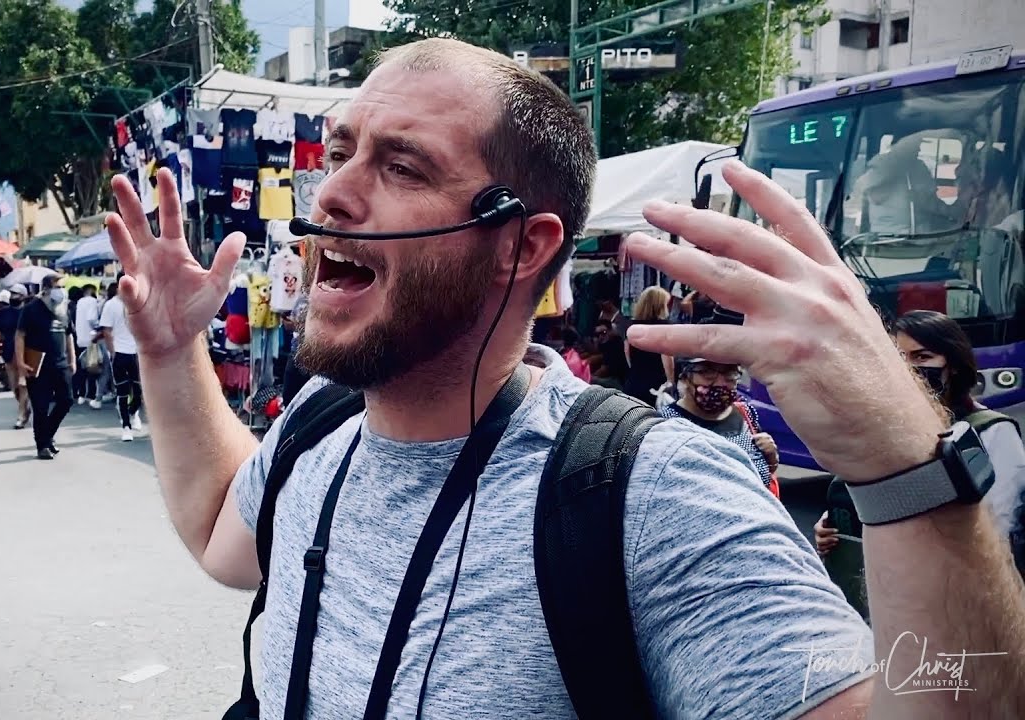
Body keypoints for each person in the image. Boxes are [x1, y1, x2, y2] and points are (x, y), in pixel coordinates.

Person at [108, 39, 1024, 718]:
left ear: (522, 245)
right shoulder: (321, 419)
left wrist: (910, 473)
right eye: (341, 150)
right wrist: (170, 349)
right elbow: (222, 530)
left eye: (401, 166)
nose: (334, 194)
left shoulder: (651, 495)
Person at [815, 310, 1025, 570]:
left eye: (922, 357)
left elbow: (999, 524)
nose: (909, 369)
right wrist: (833, 523)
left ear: (954, 365)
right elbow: (872, 492)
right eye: (898, 358)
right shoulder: (887, 426)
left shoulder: (992, 431)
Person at [659, 356, 780, 497]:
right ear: (684, 376)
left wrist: (771, 459)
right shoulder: (666, 424)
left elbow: (762, 474)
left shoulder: (745, 413)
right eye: (707, 372)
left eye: (729, 372)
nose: (721, 383)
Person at [16, 273, 75, 460]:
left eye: (63, 287)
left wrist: (72, 359)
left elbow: (68, 335)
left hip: (60, 364)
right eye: (58, 287)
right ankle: (42, 446)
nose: (61, 291)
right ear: (47, 289)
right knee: (40, 407)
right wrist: (20, 362)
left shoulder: (64, 309)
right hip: (37, 364)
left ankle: (47, 435)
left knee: (66, 400)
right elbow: (20, 335)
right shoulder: (31, 309)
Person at [98, 273, 142, 442]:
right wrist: (113, 352)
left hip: (137, 353)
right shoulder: (111, 305)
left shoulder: (138, 303)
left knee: (138, 392)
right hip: (120, 353)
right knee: (122, 392)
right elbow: (106, 331)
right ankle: (126, 427)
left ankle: (133, 412)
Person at [622, 285, 674, 404]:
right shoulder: (664, 327)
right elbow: (666, 356)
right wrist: (670, 381)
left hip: (634, 381)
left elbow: (627, 352)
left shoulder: (631, 326)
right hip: (656, 384)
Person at [0, 284, 31, 429]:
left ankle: (21, 414)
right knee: (14, 386)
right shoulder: (3, 313)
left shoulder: (29, 312)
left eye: (17, 294)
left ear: (24, 296)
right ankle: (24, 407)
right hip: (8, 350)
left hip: (26, 351)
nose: (14, 296)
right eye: (12, 294)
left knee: (23, 383)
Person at [74, 283, 102, 409]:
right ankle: (90, 394)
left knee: (81, 369)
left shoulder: (79, 302)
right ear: (92, 291)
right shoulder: (93, 302)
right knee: (92, 368)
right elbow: (92, 319)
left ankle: (81, 394)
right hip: (91, 339)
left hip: (80, 339)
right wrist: (99, 327)